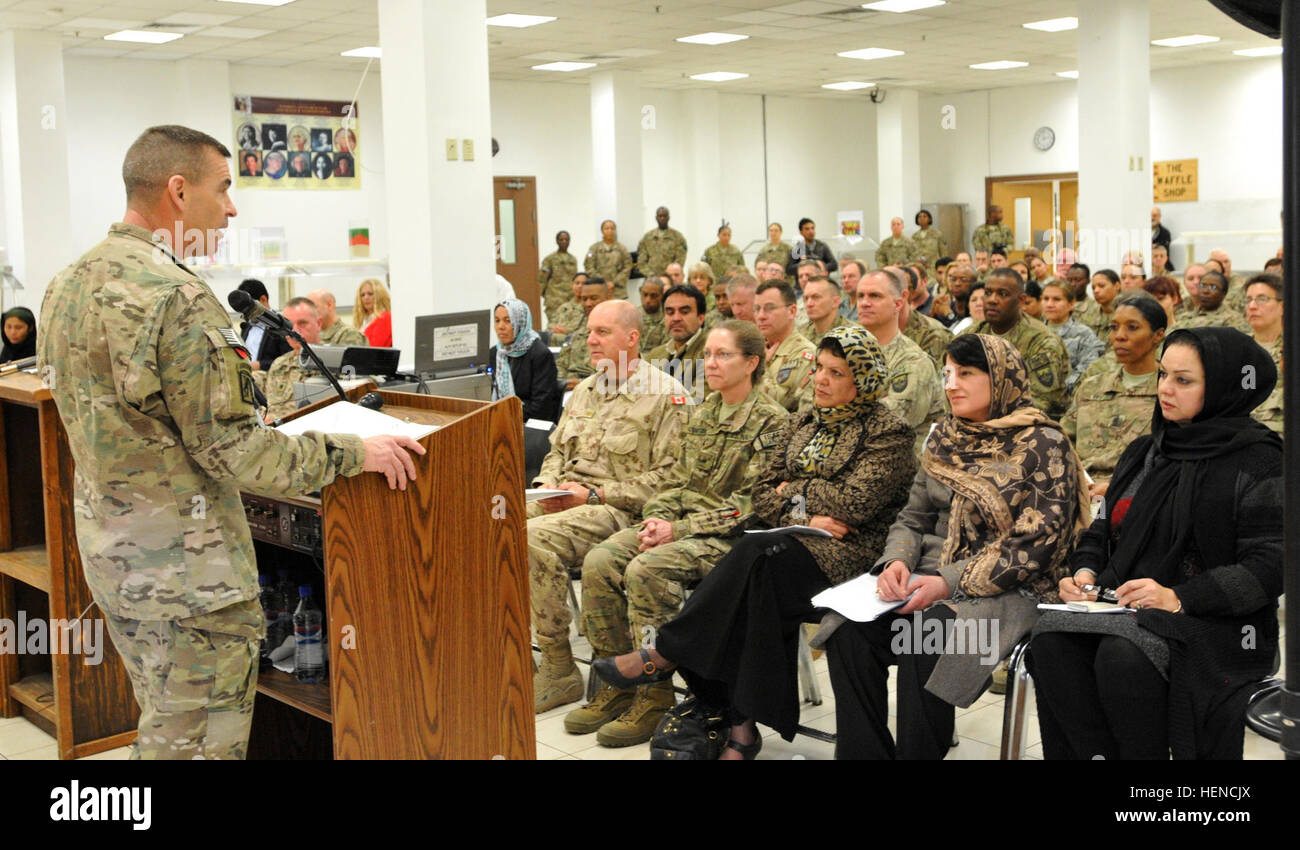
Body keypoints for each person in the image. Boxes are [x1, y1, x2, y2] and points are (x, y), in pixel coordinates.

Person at [36, 125, 423, 760]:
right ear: (179, 192)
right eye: (225, 189)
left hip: (115, 555)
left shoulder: (68, 284)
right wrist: (359, 452)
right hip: (190, 575)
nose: (233, 208)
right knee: (192, 747)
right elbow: (238, 452)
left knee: (163, 721)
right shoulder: (180, 298)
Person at [594, 326, 916, 756]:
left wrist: (793, 491)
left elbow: (854, 505)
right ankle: (739, 728)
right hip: (791, 545)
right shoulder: (802, 422)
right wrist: (808, 508)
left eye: (836, 373)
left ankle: (672, 657)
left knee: (756, 559)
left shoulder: (887, 432)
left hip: (851, 555)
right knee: (758, 579)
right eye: (819, 367)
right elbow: (764, 493)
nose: (820, 379)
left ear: (862, 381)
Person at [824, 333, 1089, 759]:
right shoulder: (944, 436)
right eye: (947, 373)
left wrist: (945, 584)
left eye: (966, 373)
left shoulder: (1043, 444)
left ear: (1001, 379)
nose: (950, 384)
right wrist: (895, 562)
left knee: (926, 638)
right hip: (918, 582)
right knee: (849, 634)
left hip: (1008, 589)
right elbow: (913, 517)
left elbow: (1035, 544)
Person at [1031, 327, 1282, 760]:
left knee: (1123, 655)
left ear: (1224, 386)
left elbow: (1272, 565)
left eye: (1183, 380)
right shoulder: (1146, 451)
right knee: (1050, 643)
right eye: (1164, 375)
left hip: (1217, 621)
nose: (1165, 388)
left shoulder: (1261, 460)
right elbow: (1101, 528)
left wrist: (1178, 597)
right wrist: (1085, 571)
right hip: (1125, 605)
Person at [570, 321, 788, 746]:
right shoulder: (706, 411)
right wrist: (656, 519)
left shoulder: (772, 422)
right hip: (678, 526)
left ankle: (655, 695)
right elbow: (678, 481)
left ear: (752, 363)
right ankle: (617, 687)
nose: (710, 362)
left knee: (647, 570)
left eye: (723, 355)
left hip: (727, 540)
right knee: (600, 560)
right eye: (707, 354)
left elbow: (751, 507)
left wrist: (678, 529)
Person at [528, 300, 689, 712]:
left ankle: (560, 666)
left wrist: (593, 495)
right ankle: (510, 648)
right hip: (565, 499)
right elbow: (555, 452)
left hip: (620, 510)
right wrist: (546, 485)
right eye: (589, 332)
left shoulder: (666, 395)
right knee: (488, 524)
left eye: (603, 332)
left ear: (632, 338)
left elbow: (671, 480)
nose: (591, 340)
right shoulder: (584, 390)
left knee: (530, 538)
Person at [1063, 291, 1166, 497]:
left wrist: (1117, 488)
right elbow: (1063, 440)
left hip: (1137, 495)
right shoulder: (1093, 387)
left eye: (1132, 327)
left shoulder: (1168, 392)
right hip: (1080, 490)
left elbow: (1170, 462)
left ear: (1158, 335)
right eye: (1113, 327)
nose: (1119, 336)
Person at [958, 268, 1071, 417]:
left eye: (1002, 294)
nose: (992, 300)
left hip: (1031, 426)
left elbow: (1041, 401)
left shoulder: (1041, 341)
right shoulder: (970, 335)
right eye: (988, 293)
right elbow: (950, 381)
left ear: (1021, 301)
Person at [856, 269, 944, 458]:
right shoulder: (848, 352)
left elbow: (890, 423)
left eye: (875, 296)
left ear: (898, 303)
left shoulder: (913, 361)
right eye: (860, 296)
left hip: (896, 464)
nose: (864, 302)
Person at [491, 297, 560, 423]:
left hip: (530, 425)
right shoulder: (495, 353)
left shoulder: (540, 354)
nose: (500, 326)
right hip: (501, 420)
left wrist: (504, 416)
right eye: (497, 320)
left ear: (520, 323)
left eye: (508, 321)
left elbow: (541, 407)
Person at [755, 280, 816, 415]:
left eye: (769, 308)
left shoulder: (804, 353)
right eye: (757, 309)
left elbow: (777, 406)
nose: (760, 316)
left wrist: (760, 366)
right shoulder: (756, 347)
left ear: (792, 311)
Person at [1039, 280, 1103, 392]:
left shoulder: (1083, 334)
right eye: (1046, 299)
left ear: (1071, 304)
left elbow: (1088, 369)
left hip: (1069, 397)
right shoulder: (1034, 332)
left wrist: (1060, 388)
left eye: (1056, 299)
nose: (1049, 304)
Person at [645, 284, 708, 395]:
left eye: (684, 312)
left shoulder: (710, 354)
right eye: (670, 312)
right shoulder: (654, 355)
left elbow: (698, 403)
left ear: (701, 318)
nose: (676, 318)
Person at [555, 276, 612, 389]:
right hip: (569, 391)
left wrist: (581, 384)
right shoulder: (578, 334)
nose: (588, 304)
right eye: (584, 299)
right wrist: (562, 383)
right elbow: (561, 364)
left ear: (607, 298)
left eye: (594, 298)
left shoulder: (617, 335)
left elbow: (616, 374)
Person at [1244, 272, 1283, 433]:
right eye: (1248, 300)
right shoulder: (1236, 348)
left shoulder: (1293, 349)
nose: (1252, 306)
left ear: (1283, 306)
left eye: (1262, 299)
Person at [233, 279, 291, 371]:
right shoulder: (247, 327)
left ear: (263, 299)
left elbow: (289, 360)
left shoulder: (280, 326)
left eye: (249, 309)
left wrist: (261, 365)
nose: (247, 314)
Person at [1172, 271, 1250, 333]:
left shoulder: (1233, 320)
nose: (1205, 291)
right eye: (1202, 285)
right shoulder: (1183, 317)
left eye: (1213, 287)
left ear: (1224, 293)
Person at [798, 275, 855, 342]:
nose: (809, 304)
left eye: (816, 297)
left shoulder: (852, 334)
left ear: (835, 302)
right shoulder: (800, 334)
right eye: (806, 298)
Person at [538, 230, 578, 326]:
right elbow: (542, 280)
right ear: (557, 241)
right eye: (561, 239)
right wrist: (545, 295)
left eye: (566, 239)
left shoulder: (572, 259)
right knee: (554, 326)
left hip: (570, 298)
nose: (564, 242)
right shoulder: (550, 259)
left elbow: (575, 279)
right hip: (554, 299)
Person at [585, 220, 633, 299]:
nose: (609, 231)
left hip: (618, 290)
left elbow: (628, 266)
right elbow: (589, 267)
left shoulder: (622, 248)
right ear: (602, 231)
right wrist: (604, 282)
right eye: (606, 228)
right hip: (599, 289)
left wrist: (614, 282)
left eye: (612, 228)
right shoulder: (594, 248)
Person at [636, 206, 687, 279]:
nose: (662, 218)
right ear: (656, 218)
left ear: (668, 218)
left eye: (664, 216)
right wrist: (650, 275)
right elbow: (641, 261)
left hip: (671, 279)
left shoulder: (677, 237)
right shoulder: (648, 237)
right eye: (660, 216)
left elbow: (680, 260)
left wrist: (669, 275)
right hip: (651, 279)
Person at [1076, 268, 1119, 348]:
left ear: (1116, 286)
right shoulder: (1087, 313)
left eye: (1101, 286)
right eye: (1093, 288)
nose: (1096, 291)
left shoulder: (1126, 314)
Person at [352, 278, 392, 346]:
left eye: (370, 294)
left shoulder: (385, 317)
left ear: (379, 295)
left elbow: (375, 348)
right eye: (362, 295)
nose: (366, 298)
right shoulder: (363, 320)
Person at [550, 270, 588, 340]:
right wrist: (555, 329)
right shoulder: (563, 307)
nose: (580, 286)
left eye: (584, 284)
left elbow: (586, 330)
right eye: (577, 283)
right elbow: (551, 325)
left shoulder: (589, 308)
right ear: (572, 285)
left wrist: (567, 331)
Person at [637, 274, 668, 350]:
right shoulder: (632, 315)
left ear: (662, 296)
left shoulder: (667, 318)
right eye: (645, 294)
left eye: (653, 296)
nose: (648, 300)